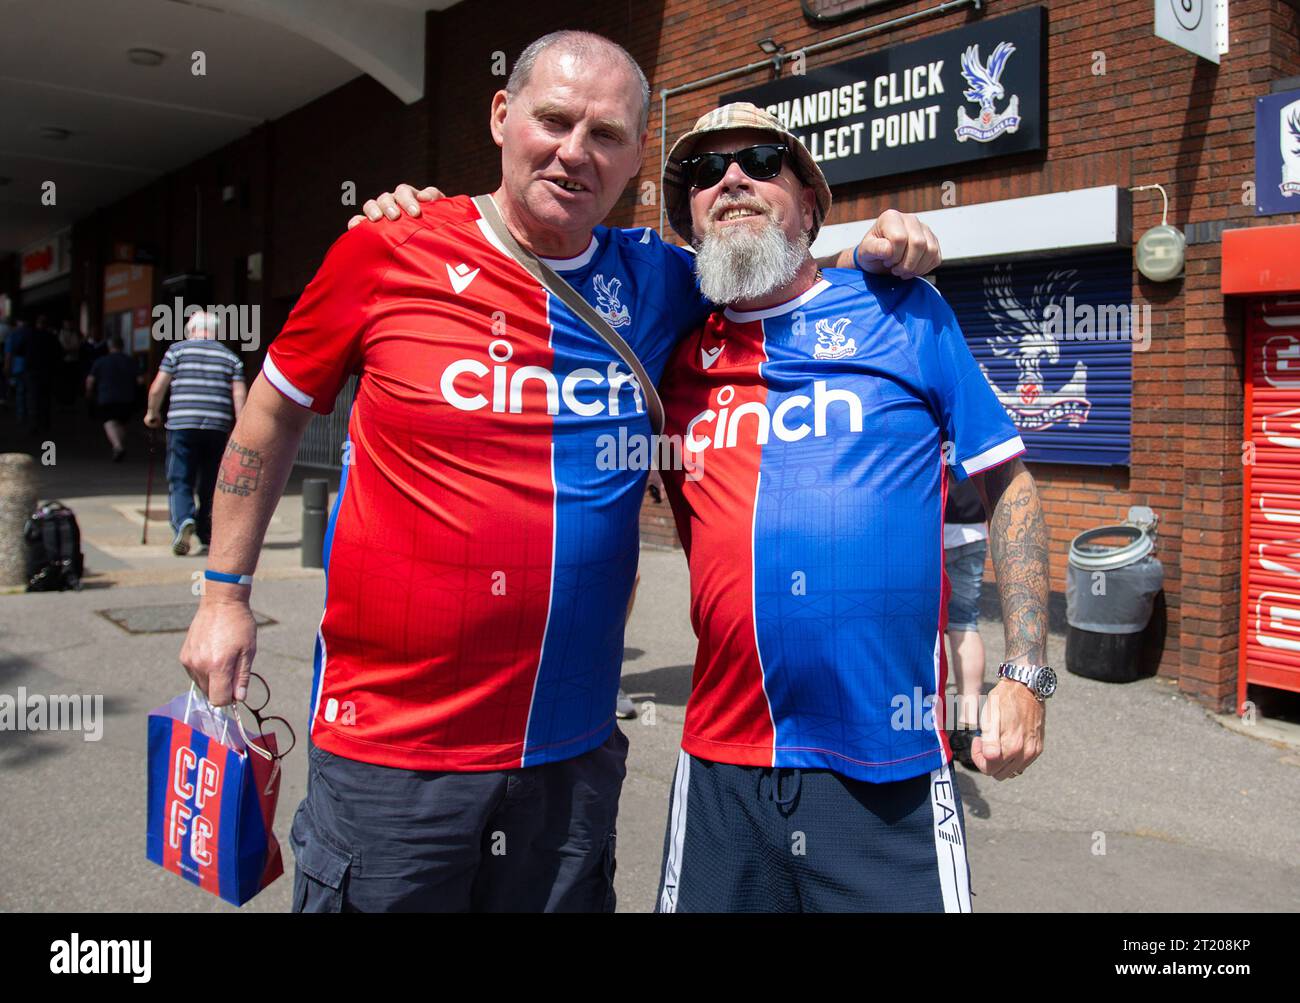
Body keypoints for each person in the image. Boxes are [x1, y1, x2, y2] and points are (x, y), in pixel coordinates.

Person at [178, 30, 943, 913]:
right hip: (392, 752)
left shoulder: (660, 280)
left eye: (608, 135)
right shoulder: (389, 249)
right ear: (502, 117)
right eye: (554, 120)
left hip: (569, 758)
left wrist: (880, 249)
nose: (575, 151)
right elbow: (269, 415)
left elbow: (777, 273)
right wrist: (223, 593)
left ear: (631, 167)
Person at [651, 103, 1053, 912]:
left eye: (762, 160)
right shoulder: (670, 346)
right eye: (702, 172)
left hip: (889, 770)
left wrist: (1026, 673)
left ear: (810, 202)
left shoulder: (903, 311)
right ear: (689, 219)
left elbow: (1009, 480)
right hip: (722, 766)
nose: (730, 178)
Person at [145, 310, 246, 555]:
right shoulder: (231, 358)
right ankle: (205, 530)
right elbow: (239, 395)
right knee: (211, 480)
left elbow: (158, 387)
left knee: (180, 477)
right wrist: (241, 425)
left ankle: (183, 520)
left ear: (191, 330)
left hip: (182, 424)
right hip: (216, 426)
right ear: (216, 331)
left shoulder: (176, 352)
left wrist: (152, 412)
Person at [943, 476, 989, 769]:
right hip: (973, 527)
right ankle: (969, 728)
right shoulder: (971, 428)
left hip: (930, 527)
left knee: (923, 624)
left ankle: (921, 722)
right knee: (965, 623)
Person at [86, 336, 140, 462]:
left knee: (109, 422)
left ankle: (118, 446)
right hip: (127, 398)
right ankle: (119, 446)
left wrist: (89, 392)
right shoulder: (130, 360)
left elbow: (90, 380)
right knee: (121, 423)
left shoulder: (101, 361)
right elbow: (140, 380)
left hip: (106, 397)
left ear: (110, 347)